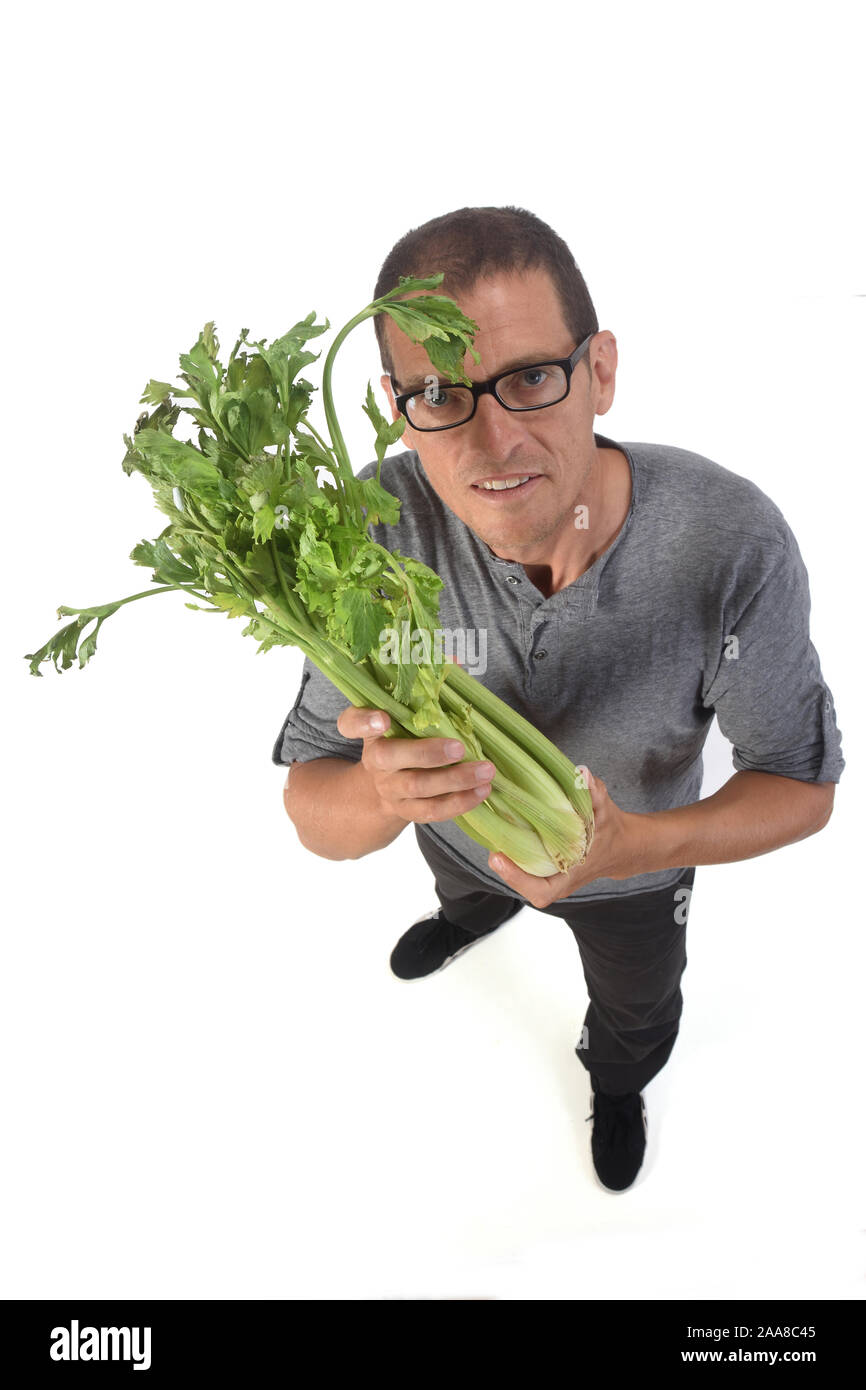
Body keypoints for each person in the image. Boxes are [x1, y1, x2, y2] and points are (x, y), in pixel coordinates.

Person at [272, 206, 844, 1192]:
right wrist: (382, 796)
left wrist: (635, 847)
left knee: (633, 1009)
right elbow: (313, 809)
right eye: (440, 393)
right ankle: (468, 918)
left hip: (635, 876)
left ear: (600, 371)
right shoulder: (368, 532)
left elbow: (800, 788)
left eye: (530, 378)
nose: (492, 441)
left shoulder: (730, 547)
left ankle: (617, 1082)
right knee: (467, 886)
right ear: (396, 404)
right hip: (453, 836)